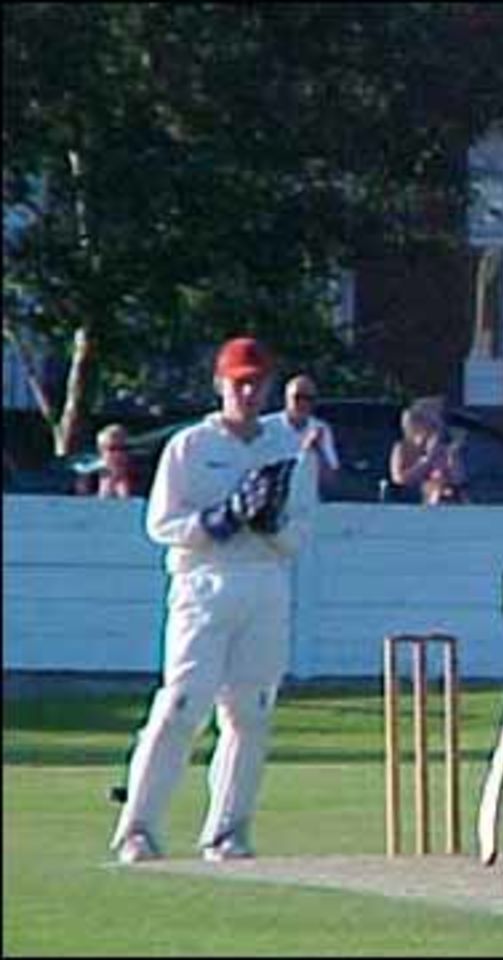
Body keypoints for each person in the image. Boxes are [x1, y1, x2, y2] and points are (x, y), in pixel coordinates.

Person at [109, 335, 317, 864]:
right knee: (181, 705)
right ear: (220, 384)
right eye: (238, 382)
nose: (247, 392)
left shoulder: (287, 450)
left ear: (268, 386)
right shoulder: (191, 446)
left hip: (264, 582)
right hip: (203, 583)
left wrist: (267, 524)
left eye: (256, 383)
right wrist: (214, 521)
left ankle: (228, 832)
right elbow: (161, 523)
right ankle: (137, 829)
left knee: (250, 712)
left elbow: (300, 534)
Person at [262, 374, 340, 490]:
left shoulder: (321, 429)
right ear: (286, 398)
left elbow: (330, 480)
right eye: (297, 397)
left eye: (309, 398)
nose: (303, 403)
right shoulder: (265, 427)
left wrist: (318, 449)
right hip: (270, 501)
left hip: (306, 503)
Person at [388, 398, 468, 505]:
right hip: (410, 501)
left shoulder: (445, 449)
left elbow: (459, 480)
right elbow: (399, 479)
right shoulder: (402, 447)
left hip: (444, 502)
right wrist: (427, 459)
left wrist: (452, 457)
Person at [85, 423, 138, 498]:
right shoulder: (90, 477)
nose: (118, 454)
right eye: (112, 449)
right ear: (101, 451)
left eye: (123, 449)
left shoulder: (143, 477)